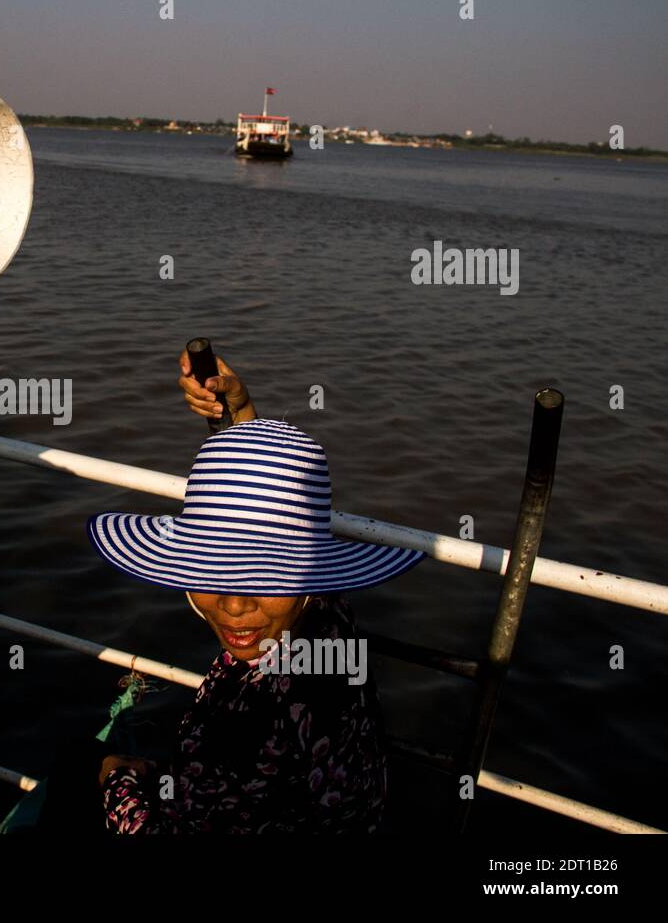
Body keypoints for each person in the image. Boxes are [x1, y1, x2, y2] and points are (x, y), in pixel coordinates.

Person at [83, 349, 424, 833]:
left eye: (266, 577)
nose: (236, 606)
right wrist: (241, 417)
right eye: (213, 569)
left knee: (78, 764)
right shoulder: (323, 618)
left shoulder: (258, 732)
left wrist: (119, 782)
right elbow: (270, 507)